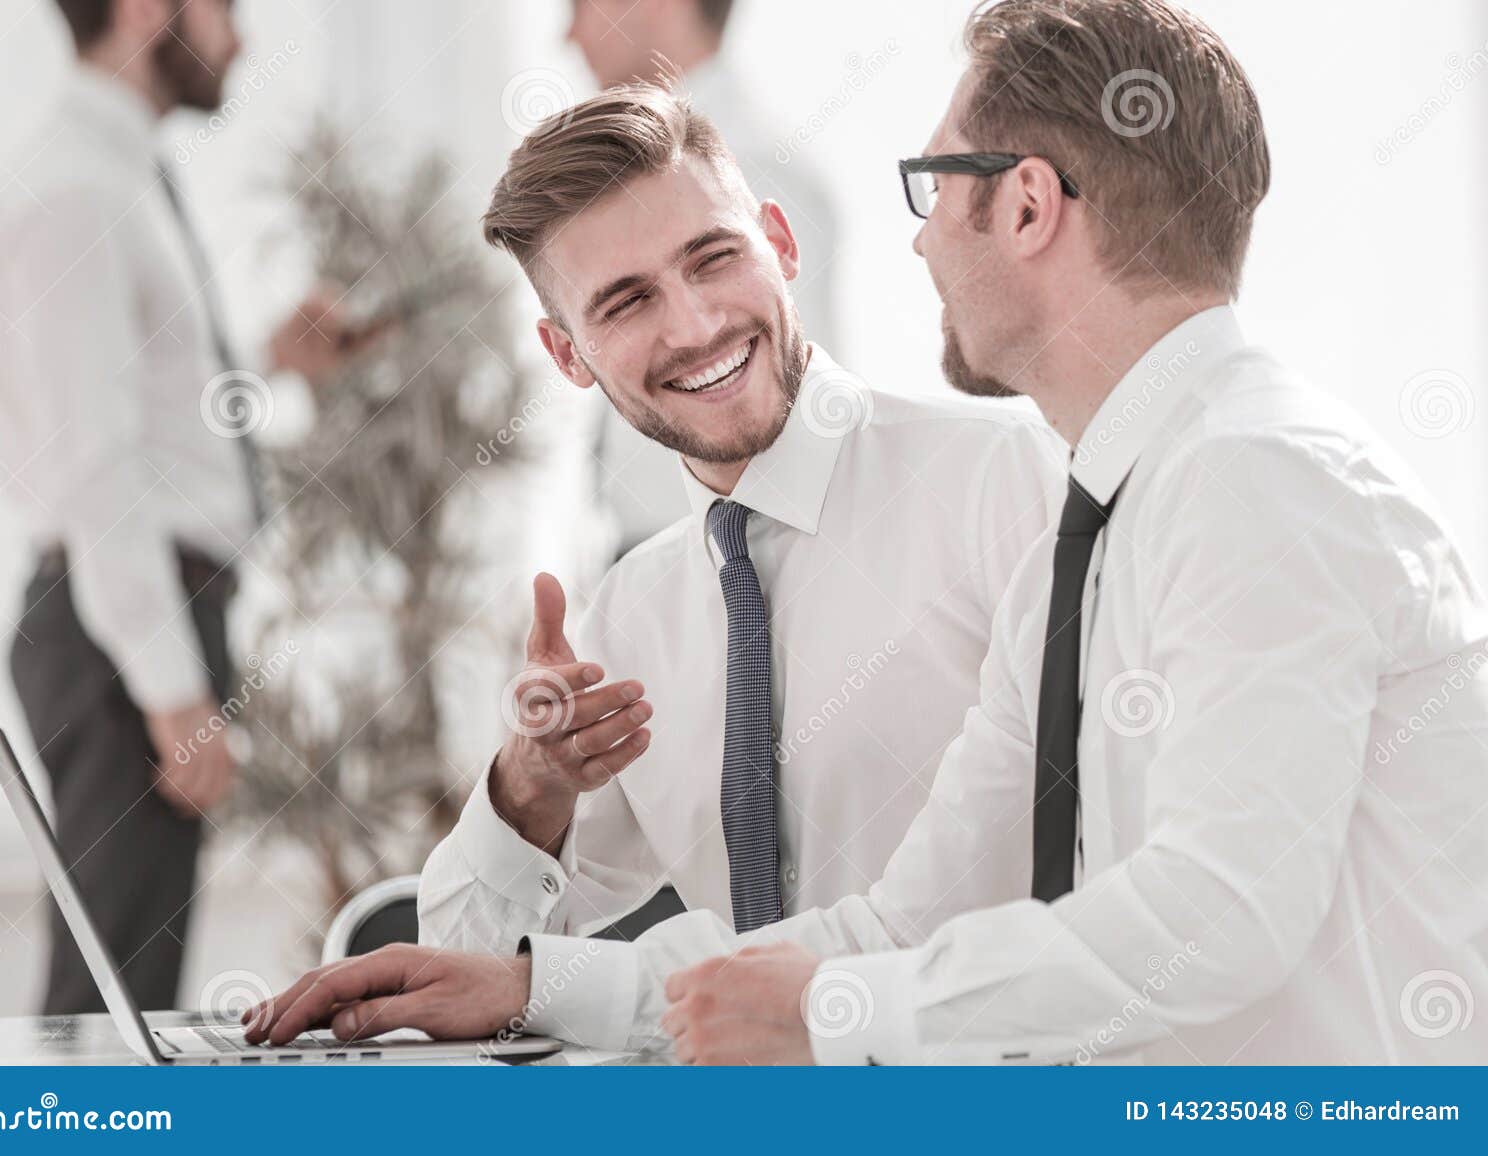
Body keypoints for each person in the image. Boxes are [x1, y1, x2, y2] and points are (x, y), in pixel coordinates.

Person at [244, 0, 1488, 1066]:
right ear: (566, 352)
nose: (915, 230)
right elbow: (903, 923)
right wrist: (539, 979)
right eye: (624, 299)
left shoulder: (1229, 482)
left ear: (1029, 207)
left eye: (935, 184)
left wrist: (834, 1011)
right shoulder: (1113, 518)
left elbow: (1207, 917)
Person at [241, 82, 1062, 1043]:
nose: (693, 325)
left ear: (781, 246)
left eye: (713, 259)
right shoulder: (632, 612)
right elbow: (467, 964)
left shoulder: (1002, 484)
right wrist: (529, 791)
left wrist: (549, 988)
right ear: (567, 355)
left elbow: (994, 922)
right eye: (626, 303)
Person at [0, 0, 378, 1014]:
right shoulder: (75, 192)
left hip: (133, 615)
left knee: (120, 994)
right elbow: (96, 467)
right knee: (111, 1005)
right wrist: (171, 693)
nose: (239, 38)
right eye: (227, 8)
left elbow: (141, 423)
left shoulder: (113, 178)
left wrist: (266, 365)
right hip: (125, 627)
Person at [566, 0, 844, 555]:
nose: (570, 35)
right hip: (673, 557)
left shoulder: (751, 167)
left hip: (730, 562)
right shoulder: (670, 170)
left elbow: (787, 415)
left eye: (580, 6)